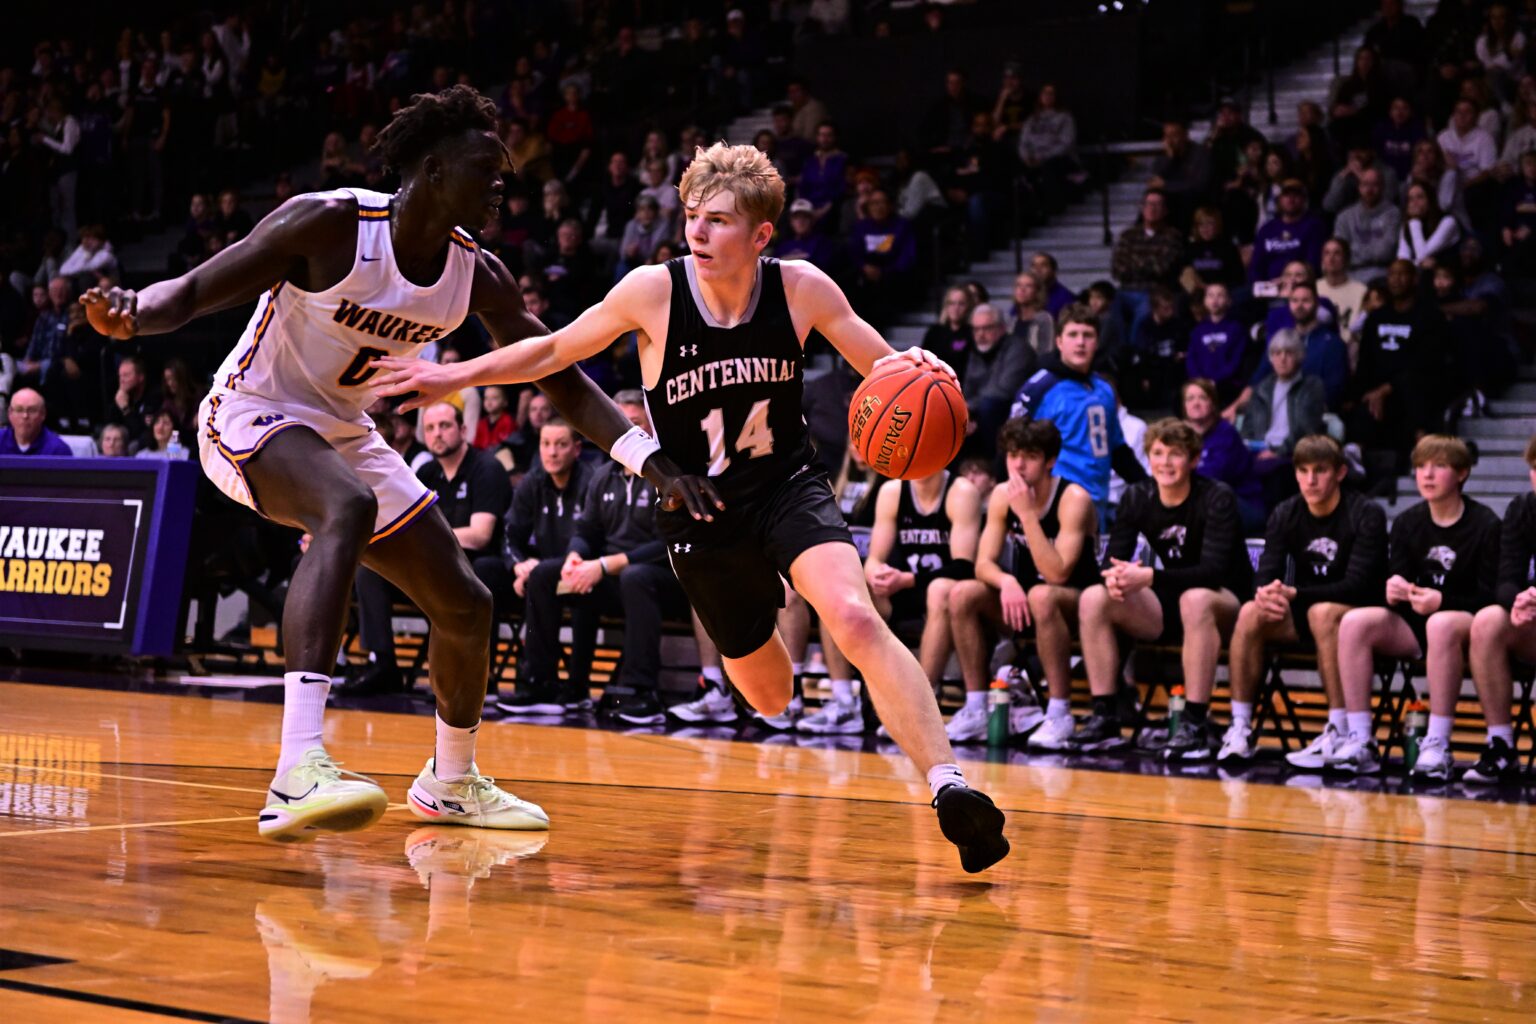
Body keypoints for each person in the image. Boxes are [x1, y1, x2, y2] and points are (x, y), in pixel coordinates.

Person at [80, 86, 715, 842]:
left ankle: (450, 782)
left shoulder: (475, 273)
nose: (502, 186)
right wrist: (132, 312)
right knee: (344, 505)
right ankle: (296, 769)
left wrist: (652, 461)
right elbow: (188, 292)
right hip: (248, 415)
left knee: (466, 603)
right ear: (435, 170)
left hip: (342, 433)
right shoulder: (332, 223)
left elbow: (560, 375)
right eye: (488, 170)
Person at [372, 141, 1010, 872]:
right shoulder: (654, 292)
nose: (698, 233)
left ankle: (949, 786)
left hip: (783, 487)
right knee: (770, 696)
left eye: (718, 221)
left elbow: (889, 371)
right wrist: (448, 373)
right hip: (697, 510)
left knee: (856, 617)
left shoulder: (801, 288)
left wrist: (931, 369)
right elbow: (549, 353)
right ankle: (765, 618)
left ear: (761, 235)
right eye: (692, 218)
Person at [1077, 418, 1254, 758]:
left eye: (1176, 454)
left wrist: (1150, 578)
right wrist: (1115, 578)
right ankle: (1106, 714)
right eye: (1158, 453)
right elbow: (1111, 559)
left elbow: (1214, 572)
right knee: (1094, 598)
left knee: (1197, 599)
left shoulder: (1217, 497)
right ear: (1148, 458)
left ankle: (1194, 722)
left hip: (1229, 605)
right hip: (1171, 601)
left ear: (1193, 460)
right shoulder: (1137, 495)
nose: (1166, 462)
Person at [514, 393, 693, 725]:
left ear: (652, 429)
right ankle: (542, 684)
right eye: (621, 424)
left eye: (635, 424)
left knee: (635, 577)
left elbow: (665, 544)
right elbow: (587, 529)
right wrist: (576, 556)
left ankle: (641, 692)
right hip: (614, 578)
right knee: (544, 574)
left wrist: (603, 565)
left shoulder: (669, 474)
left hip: (667, 580)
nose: (628, 434)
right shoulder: (603, 475)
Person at [1329, 437, 1500, 777]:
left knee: (1441, 623)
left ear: (1462, 473)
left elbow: (1491, 598)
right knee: (1355, 622)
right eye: (1421, 466)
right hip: (1414, 624)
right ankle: (1361, 738)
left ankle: (1438, 742)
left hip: (1466, 626)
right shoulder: (1407, 522)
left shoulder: (1486, 524)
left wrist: (1444, 602)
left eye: (1439, 466)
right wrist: (1393, 590)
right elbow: (1397, 581)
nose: (1427, 474)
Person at [1217, 437, 1388, 763]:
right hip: (1308, 611)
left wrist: (1297, 594)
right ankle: (1239, 727)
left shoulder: (1366, 513)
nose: (1310, 480)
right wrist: (1267, 592)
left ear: (1340, 473)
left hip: (1361, 616)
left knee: (1323, 613)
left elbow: (1358, 586)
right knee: (1251, 612)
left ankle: (1341, 728)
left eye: (1320, 471)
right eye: (1303, 471)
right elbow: (1267, 570)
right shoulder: (1286, 511)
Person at [949, 418, 1099, 749]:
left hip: (1079, 607)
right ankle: (975, 707)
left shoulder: (1073, 498)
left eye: (1029, 455)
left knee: (1043, 595)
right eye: (1013, 454)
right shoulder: (1003, 495)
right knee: (962, 594)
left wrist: (1028, 515)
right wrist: (1006, 582)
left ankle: (1060, 713)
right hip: (1024, 602)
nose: (1018, 464)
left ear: (1049, 461)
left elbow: (1059, 573)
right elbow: (983, 564)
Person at [347, 402, 512, 696]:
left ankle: (474, 675)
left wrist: (423, 539)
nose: (438, 434)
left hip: (477, 566)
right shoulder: (426, 471)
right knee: (371, 572)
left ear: (463, 430)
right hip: (438, 563)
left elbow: (479, 536)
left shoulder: (487, 468)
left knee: (483, 569)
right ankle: (383, 665)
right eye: (431, 428)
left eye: (445, 426)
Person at [804, 467, 980, 738]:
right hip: (902, 589)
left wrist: (907, 580)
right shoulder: (893, 490)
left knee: (940, 591)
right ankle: (844, 703)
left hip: (941, 590)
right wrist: (875, 572)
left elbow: (963, 566)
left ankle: (921, 708)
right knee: (838, 592)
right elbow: (875, 557)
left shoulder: (961, 492)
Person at [1010, 305, 1148, 513]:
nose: (1080, 342)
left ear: (1097, 342)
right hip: (1056, 502)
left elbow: (1118, 449)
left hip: (1099, 500)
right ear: (1059, 341)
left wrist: (1148, 488)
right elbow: (1011, 443)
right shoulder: (1038, 389)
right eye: (1073, 334)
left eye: (1088, 335)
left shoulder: (1104, 389)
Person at [1465, 435, 1536, 783]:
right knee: (1488, 620)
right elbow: (1506, 578)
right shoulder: (1522, 509)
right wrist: (1518, 601)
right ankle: (1501, 744)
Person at [1181, 378, 1264, 534]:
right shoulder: (1183, 436)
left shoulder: (1226, 434)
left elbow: (1213, 478)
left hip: (1243, 503)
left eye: (1202, 398)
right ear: (1184, 406)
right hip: (1206, 502)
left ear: (1213, 403)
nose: (1196, 403)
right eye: (1190, 399)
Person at [1239, 332, 1327, 462]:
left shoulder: (1311, 386)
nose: (1282, 359)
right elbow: (1247, 429)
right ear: (1271, 358)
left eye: (1289, 353)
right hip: (1261, 453)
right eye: (1277, 353)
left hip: (1294, 454)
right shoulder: (1262, 389)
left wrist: (1279, 452)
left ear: (1299, 356)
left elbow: (1306, 429)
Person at [960, 303, 1034, 456]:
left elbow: (1004, 391)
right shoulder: (976, 352)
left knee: (990, 405)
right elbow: (967, 390)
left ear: (1001, 328)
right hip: (980, 413)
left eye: (987, 328)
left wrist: (970, 407)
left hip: (1011, 413)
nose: (980, 334)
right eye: (976, 329)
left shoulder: (1018, 349)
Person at [1250, 180, 1327, 287]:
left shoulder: (1313, 226)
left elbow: (1312, 265)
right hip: (1268, 287)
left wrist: (1289, 281)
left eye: (1296, 195)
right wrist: (1261, 286)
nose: (1291, 199)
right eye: (1286, 195)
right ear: (1280, 200)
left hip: (1300, 286)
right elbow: (1256, 266)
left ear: (1304, 199)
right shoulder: (1267, 229)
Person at [1186, 281, 1249, 405]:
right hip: (1201, 385)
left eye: (1220, 295)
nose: (1215, 299)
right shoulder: (1198, 330)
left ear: (1228, 300)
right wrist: (1200, 381)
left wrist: (1216, 381)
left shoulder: (1236, 328)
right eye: (1210, 295)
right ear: (1205, 301)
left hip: (1227, 385)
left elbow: (1236, 361)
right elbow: (1192, 359)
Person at [1333, 167, 1402, 274]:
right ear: (1359, 187)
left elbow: (1386, 253)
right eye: (1365, 184)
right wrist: (1374, 250)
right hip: (1350, 273)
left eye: (1374, 184)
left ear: (1382, 187)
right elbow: (1341, 253)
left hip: (1381, 273)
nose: (1369, 189)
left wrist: (1354, 249)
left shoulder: (1393, 214)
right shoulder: (1344, 217)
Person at [1317, 238, 1369, 346]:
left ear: (1346, 259)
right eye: (1327, 253)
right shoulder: (1314, 288)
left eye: (1337, 253)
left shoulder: (1361, 290)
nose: (1331, 258)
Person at [1397, 181, 1461, 267]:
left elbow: (1423, 255)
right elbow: (1403, 258)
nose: (1414, 203)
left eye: (1420, 197)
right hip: (1422, 272)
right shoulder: (1408, 225)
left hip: (1447, 272)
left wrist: (1415, 220)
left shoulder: (1448, 221)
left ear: (1430, 199)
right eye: (1411, 199)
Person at [0, 387, 72, 455]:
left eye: (32, 410)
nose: (25, 416)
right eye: (19, 410)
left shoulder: (58, 450)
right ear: (10, 413)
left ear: (43, 414)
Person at [922, 286, 974, 378]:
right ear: (946, 306)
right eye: (952, 303)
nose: (956, 308)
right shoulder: (934, 332)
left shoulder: (973, 333)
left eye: (961, 304)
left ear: (969, 307)